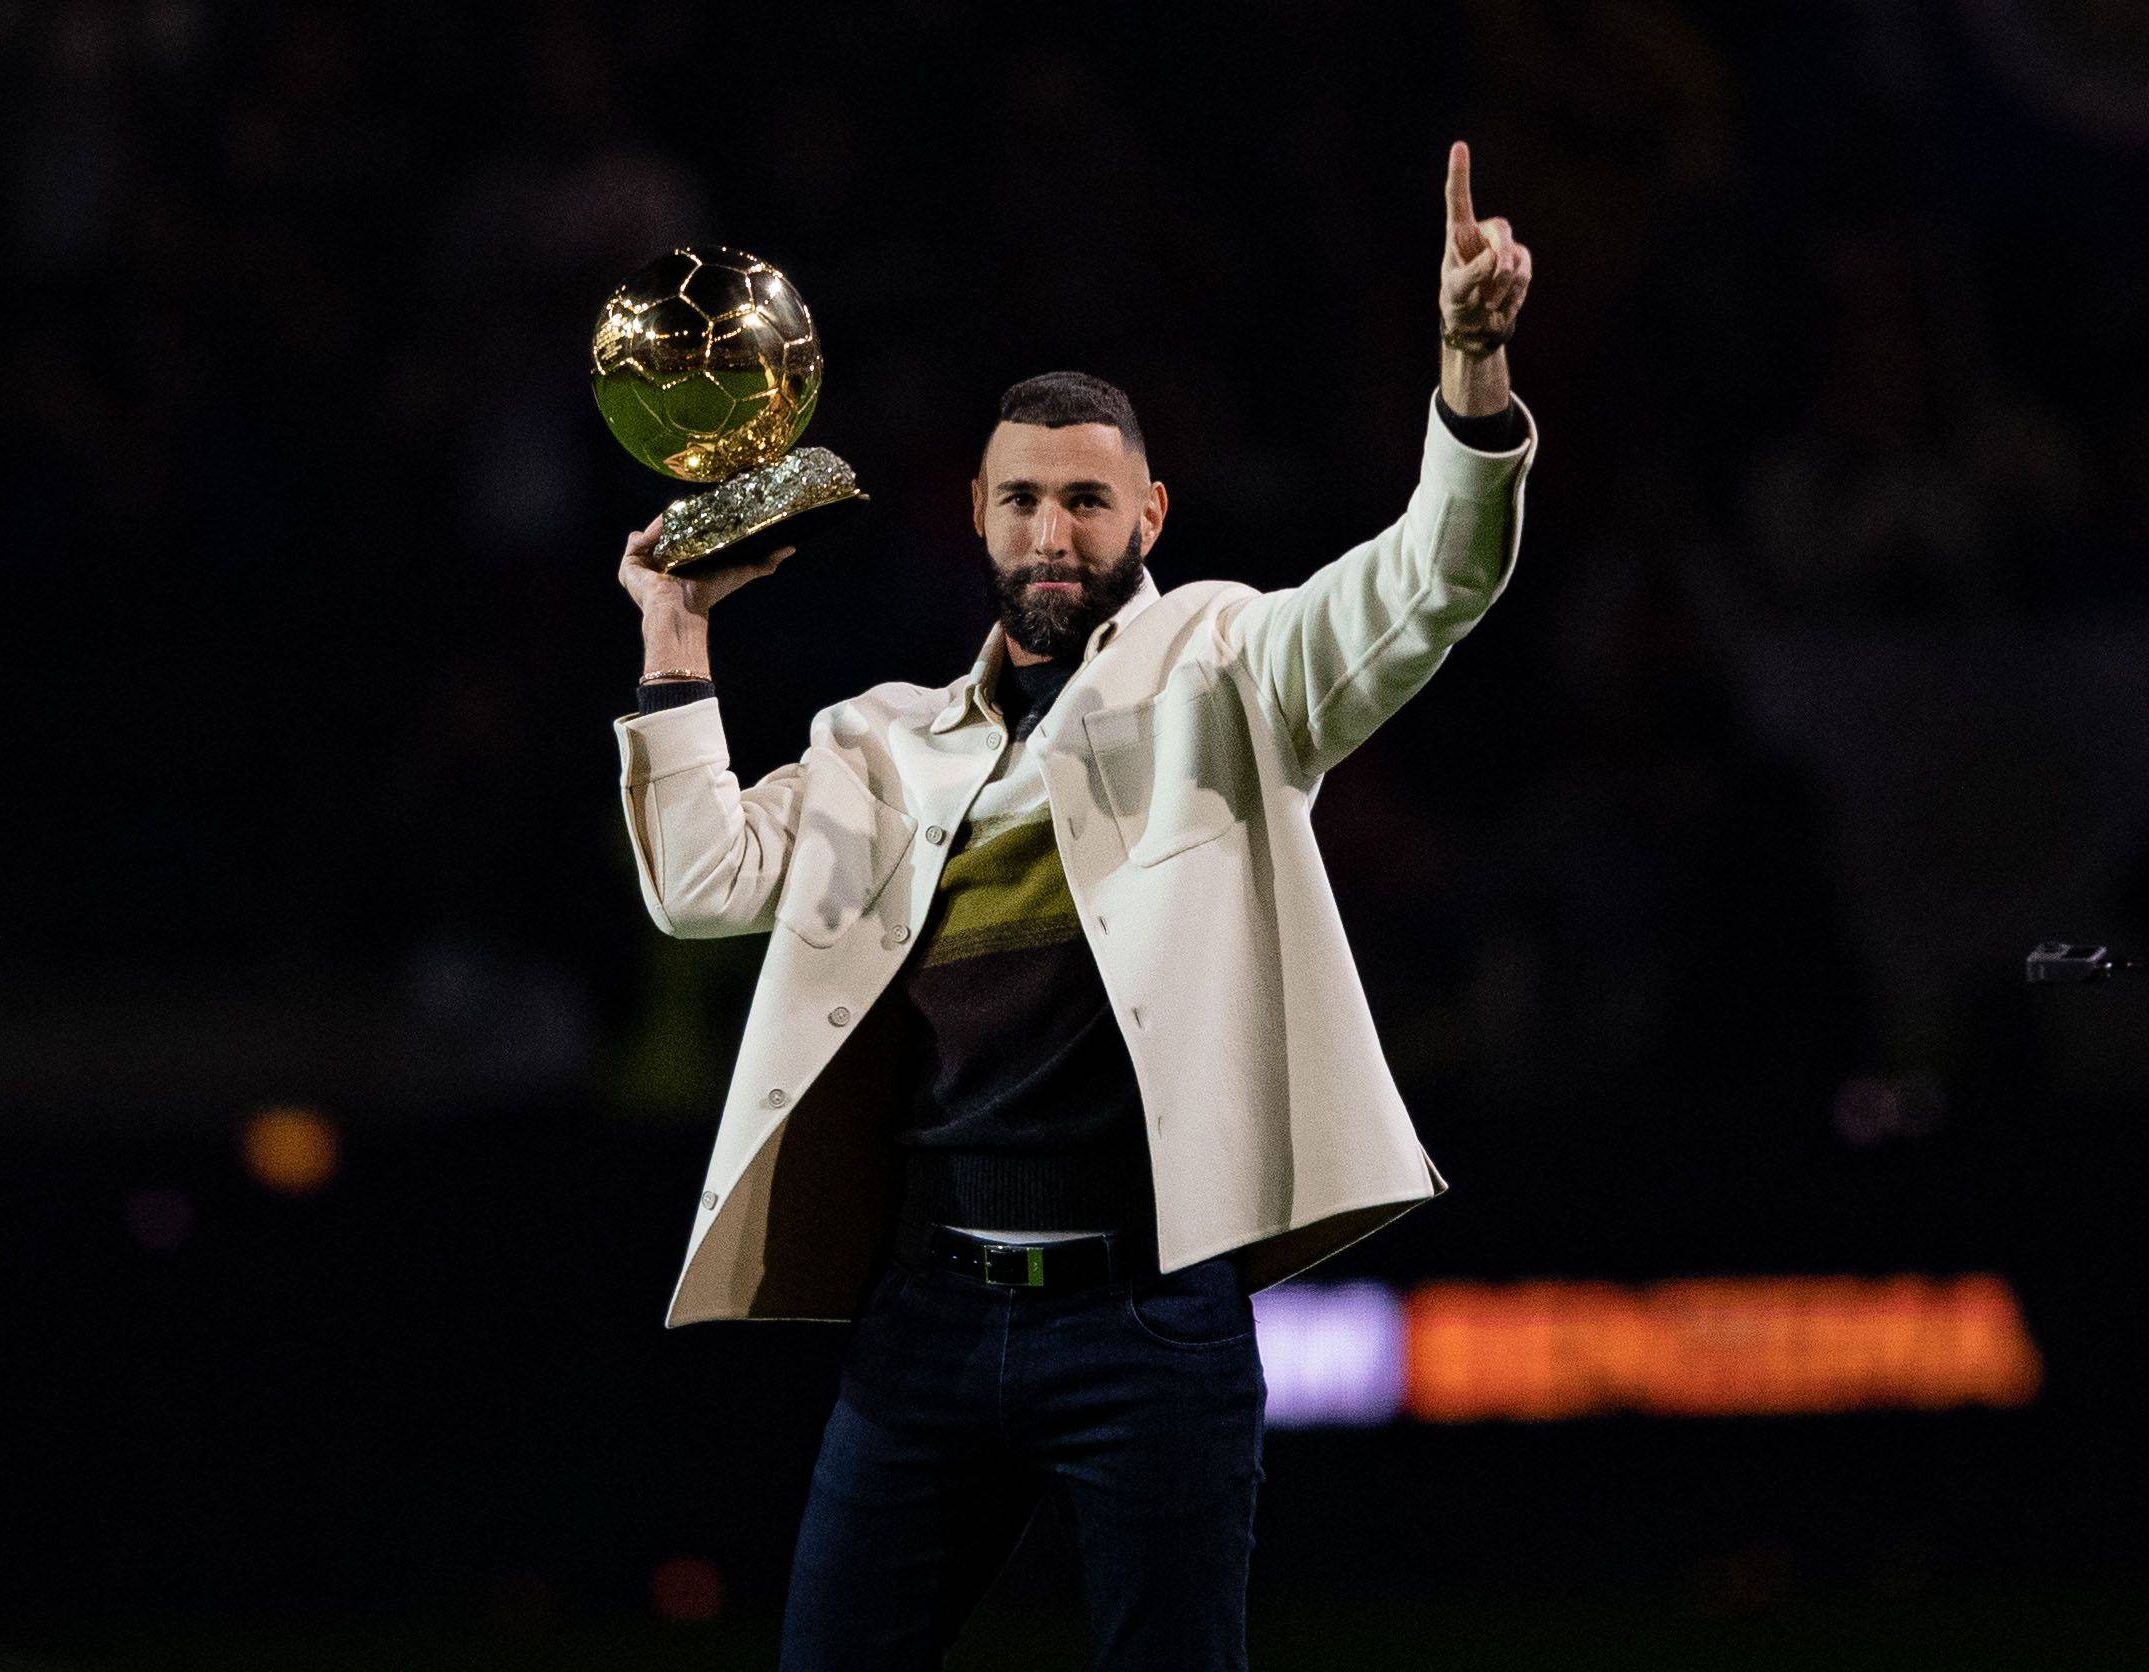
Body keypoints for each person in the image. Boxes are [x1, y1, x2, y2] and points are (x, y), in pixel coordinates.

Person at [609, 142, 1536, 1671]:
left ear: (1151, 514)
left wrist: (1473, 376)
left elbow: (1431, 581)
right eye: (1026, 500)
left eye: (1089, 501)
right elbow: (701, 881)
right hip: (927, 1321)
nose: (1055, 534)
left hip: (1150, 1319)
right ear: (975, 513)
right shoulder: (878, 743)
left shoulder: (1230, 670)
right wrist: (672, 631)